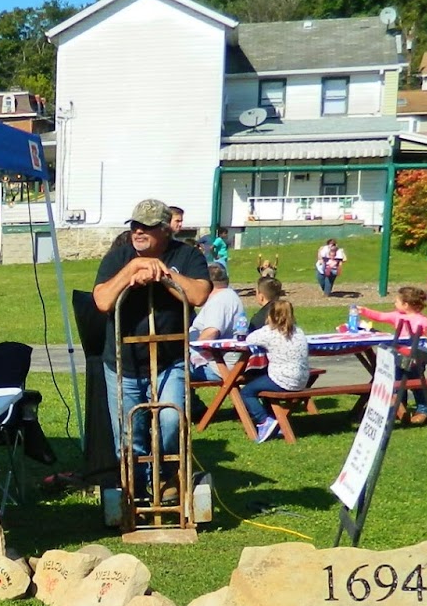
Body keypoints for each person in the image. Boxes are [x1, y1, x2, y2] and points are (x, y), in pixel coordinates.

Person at [92, 198, 211, 501]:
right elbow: (102, 300)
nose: (138, 231)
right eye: (135, 225)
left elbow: (199, 295)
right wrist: (133, 268)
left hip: (170, 361)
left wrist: (163, 274)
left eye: (147, 226)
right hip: (124, 362)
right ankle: (135, 492)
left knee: (171, 420)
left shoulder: (186, 255)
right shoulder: (119, 257)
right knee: (129, 433)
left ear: (165, 229)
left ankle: (169, 477)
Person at [357, 285, 427, 425]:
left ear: (406, 304)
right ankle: (400, 406)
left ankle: (423, 408)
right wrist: (364, 311)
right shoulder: (397, 316)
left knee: (416, 382)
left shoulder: (422, 320)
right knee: (397, 380)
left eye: (397, 301)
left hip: (416, 356)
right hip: (399, 355)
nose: (394, 303)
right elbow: (380, 316)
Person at [238, 297, 310, 443]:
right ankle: (275, 421)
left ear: (270, 316)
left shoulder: (270, 332)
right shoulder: (298, 331)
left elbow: (249, 339)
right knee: (262, 383)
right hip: (302, 379)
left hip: (282, 379)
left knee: (246, 392)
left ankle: (264, 420)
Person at [188, 264, 246, 382]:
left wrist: (191, 346)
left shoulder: (219, 301)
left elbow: (212, 331)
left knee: (170, 370)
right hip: (222, 364)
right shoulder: (227, 295)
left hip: (216, 367)